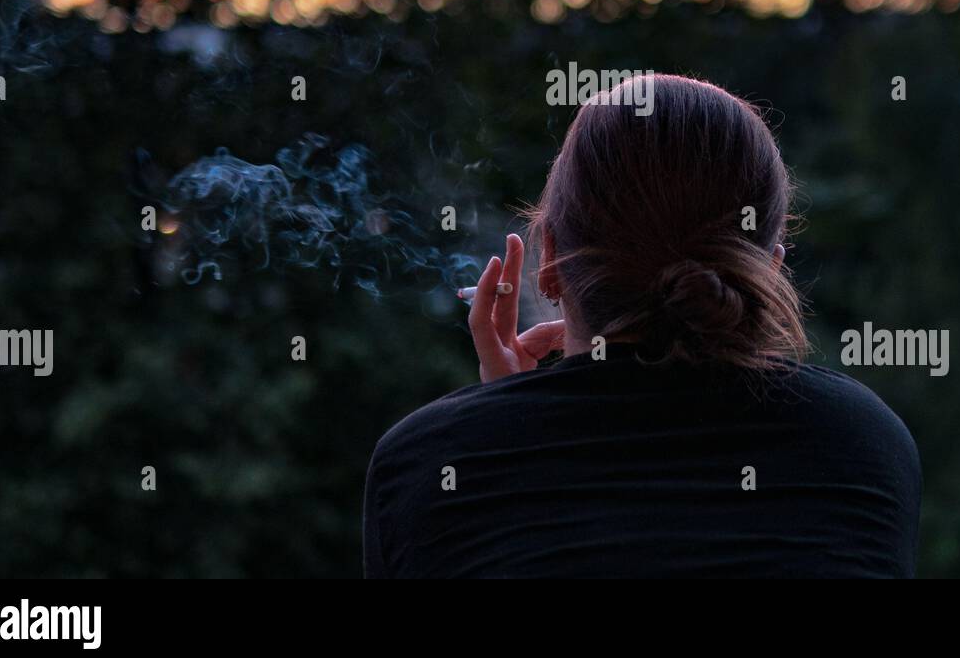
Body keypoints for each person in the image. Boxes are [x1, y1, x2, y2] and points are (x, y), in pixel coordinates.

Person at [363, 74, 921, 578]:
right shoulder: (860, 442)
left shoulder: (423, 467)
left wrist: (500, 425)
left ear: (550, 262)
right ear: (770, 266)